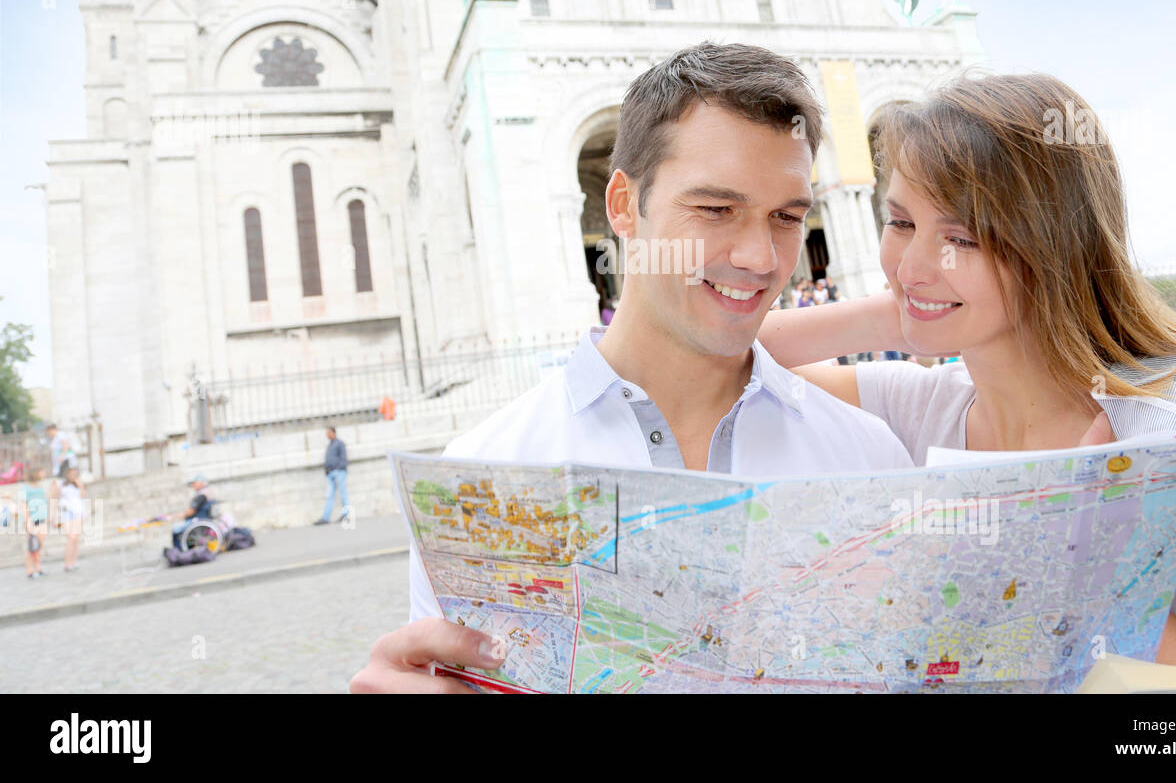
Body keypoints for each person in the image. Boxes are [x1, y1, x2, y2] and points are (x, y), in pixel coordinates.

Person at [350, 41, 914, 693]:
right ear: (623, 206)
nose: (761, 258)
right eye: (715, 209)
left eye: (787, 218)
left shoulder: (872, 458)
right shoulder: (482, 478)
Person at [759, 72, 1176, 693]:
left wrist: (1076, 561)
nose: (909, 264)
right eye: (902, 222)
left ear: (1053, 251)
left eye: (961, 237)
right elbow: (718, 354)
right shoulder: (922, 406)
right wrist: (903, 314)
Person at [53, 463, 85, 571]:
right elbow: (55, 498)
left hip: (78, 512)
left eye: (75, 473)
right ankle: (67, 563)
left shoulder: (77, 484)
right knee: (70, 537)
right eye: (71, 473)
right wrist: (54, 514)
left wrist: (80, 486)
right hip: (66, 512)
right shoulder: (60, 484)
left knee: (76, 538)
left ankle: (73, 562)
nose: (73, 475)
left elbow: (83, 496)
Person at [315, 426, 350, 525]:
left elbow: (343, 458)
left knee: (343, 494)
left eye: (329, 433)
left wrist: (338, 468)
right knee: (329, 496)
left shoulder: (339, 443)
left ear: (334, 433)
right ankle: (325, 518)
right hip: (330, 473)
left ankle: (346, 514)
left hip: (339, 472)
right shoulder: (330, 445)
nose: (327, 435)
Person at [22, 465, 49, 579]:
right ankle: (29, 570)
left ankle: (38, 568)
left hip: (42, 519)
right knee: (31, 547)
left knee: (39, 546)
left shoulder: (40, 487)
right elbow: (23, 505)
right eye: (42, 472)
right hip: (33, 520)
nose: (44, 474)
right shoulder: (25, 488)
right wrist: (28, 521)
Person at [171, 475, 213, 549]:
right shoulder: (207, 493)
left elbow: (191, 511)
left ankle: (178, 550)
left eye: (194, 483)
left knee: (175, 529)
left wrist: (182, 514)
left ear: (201, 483)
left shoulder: (201, 496)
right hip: (202, 519)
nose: (193, 485)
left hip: (198, 520)